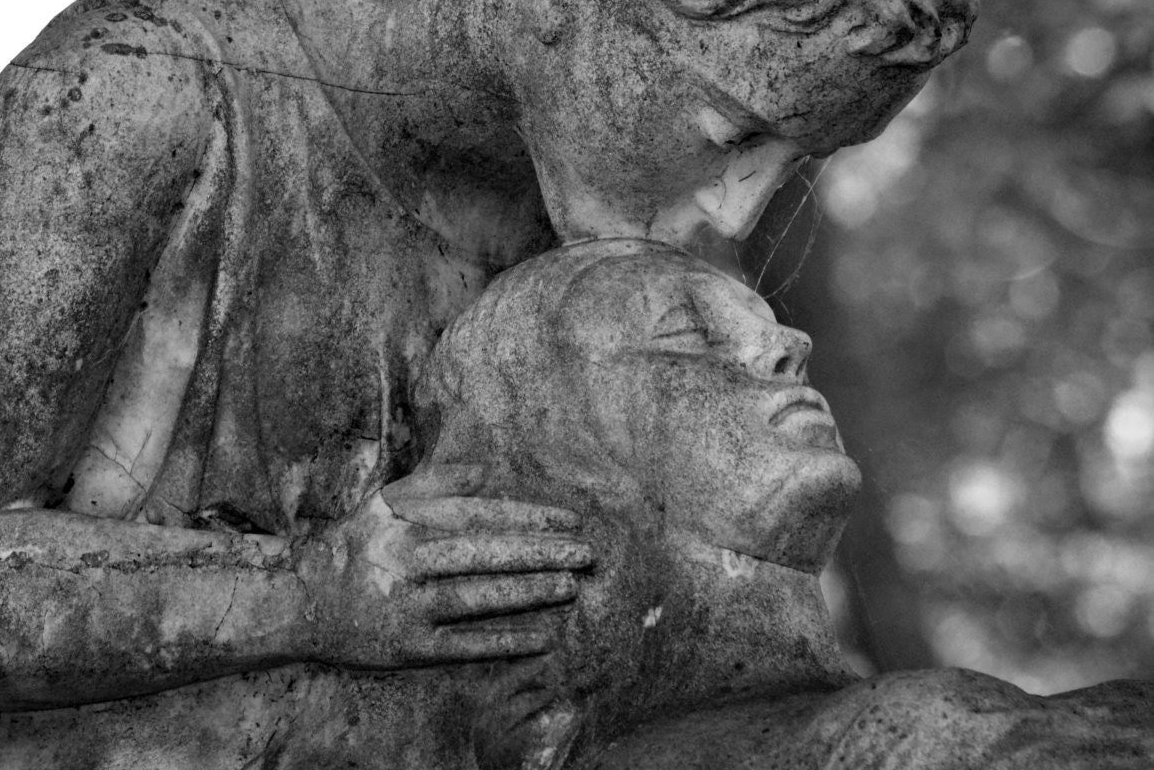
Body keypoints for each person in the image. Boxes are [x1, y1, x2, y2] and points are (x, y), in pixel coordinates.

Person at [0, 0, 977, 763]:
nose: (732, 212)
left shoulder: (606, 213)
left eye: (796, 163)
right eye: (730, 127)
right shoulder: (134, 89)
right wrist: (300, 596)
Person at [413, 239, 1154, 769]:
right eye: (687, 331)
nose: (788, 343)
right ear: (555, 442)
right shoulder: (913, 737)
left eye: (766, 324)